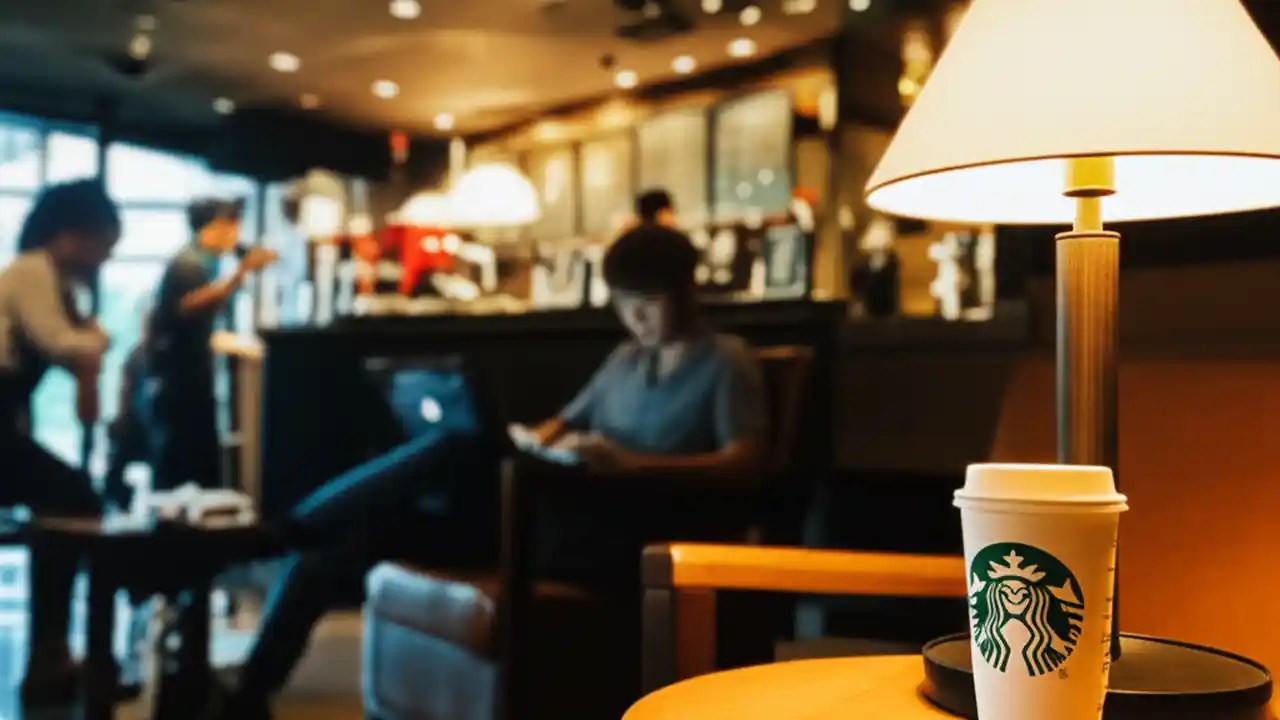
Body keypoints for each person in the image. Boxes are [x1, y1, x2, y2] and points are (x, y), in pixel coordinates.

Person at [210, 224, 767, 720]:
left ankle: (280, 530)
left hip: (617, 530)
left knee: (452, 445)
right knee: (350, 538)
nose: (637, 317)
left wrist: (631, 463)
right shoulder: (627, 359)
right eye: (626, 303)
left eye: (649, 302)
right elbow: (561, 422)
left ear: (685, 291)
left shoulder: (725, 359)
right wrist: (533, 439)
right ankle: (251, 691)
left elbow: (746, 463)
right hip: (548, 513)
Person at [0, 180, 118, 704]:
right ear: (72, 235)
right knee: (73, 498)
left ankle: (53, 652)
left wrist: (90, 352)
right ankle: (54, 652)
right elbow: (59, 343)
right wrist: (95, 341)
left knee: (72, 497)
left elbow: (85, 401)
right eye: (103, 244)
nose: (105, 256)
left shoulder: (60, 287)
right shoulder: (30, 269)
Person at [147, 198, 276, 491]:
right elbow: (187, 307)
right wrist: (239, 276)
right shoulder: (190, 262)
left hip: (187, 374)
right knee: (184, 459)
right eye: (232, 226)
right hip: (180, 378)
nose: (235, 234)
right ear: (216, 226)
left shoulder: (204, 259)